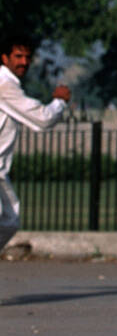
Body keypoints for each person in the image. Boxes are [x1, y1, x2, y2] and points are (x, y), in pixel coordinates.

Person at [0, 32, 71, 254]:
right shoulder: (4, 86)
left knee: (10, 220)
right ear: (4, 58)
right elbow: (42, 119)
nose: (24, 62)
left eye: (27, 57)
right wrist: (59, 101)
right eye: (18, 56)